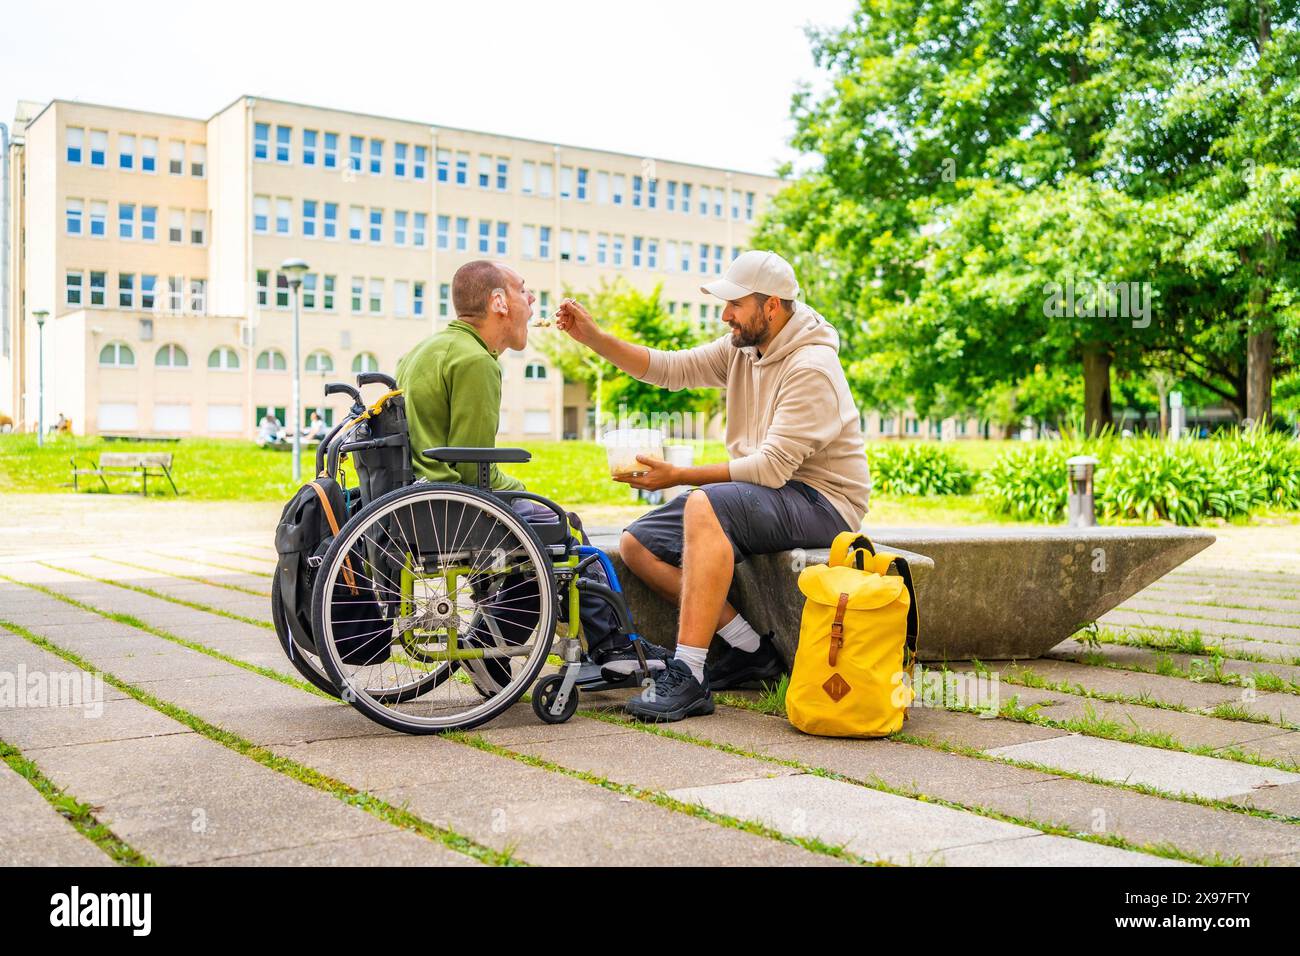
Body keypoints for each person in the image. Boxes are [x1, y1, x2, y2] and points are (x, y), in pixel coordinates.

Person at [556, 250, 871, 722]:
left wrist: (677, 476)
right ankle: (749, 651)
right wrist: (595, 338)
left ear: (772, 306)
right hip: (768, 493)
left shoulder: (811, 366)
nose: (725, 315)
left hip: (823, 501)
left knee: (702, 503)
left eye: (735, 304)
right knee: (637, 543)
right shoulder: (743, 348)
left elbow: (771, 468)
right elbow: (668, 369)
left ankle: (690, 673)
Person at [395, 259, 669, 692]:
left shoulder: (425, 351)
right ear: (499, 303)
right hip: (451, 508)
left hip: (422, 503)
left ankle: (490, 645)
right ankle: (613, 649)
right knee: (564, 532)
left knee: (536, 535)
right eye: (525, 291)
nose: (532, 300)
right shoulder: (475, 361)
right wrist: (525, 492)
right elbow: (473, 467)